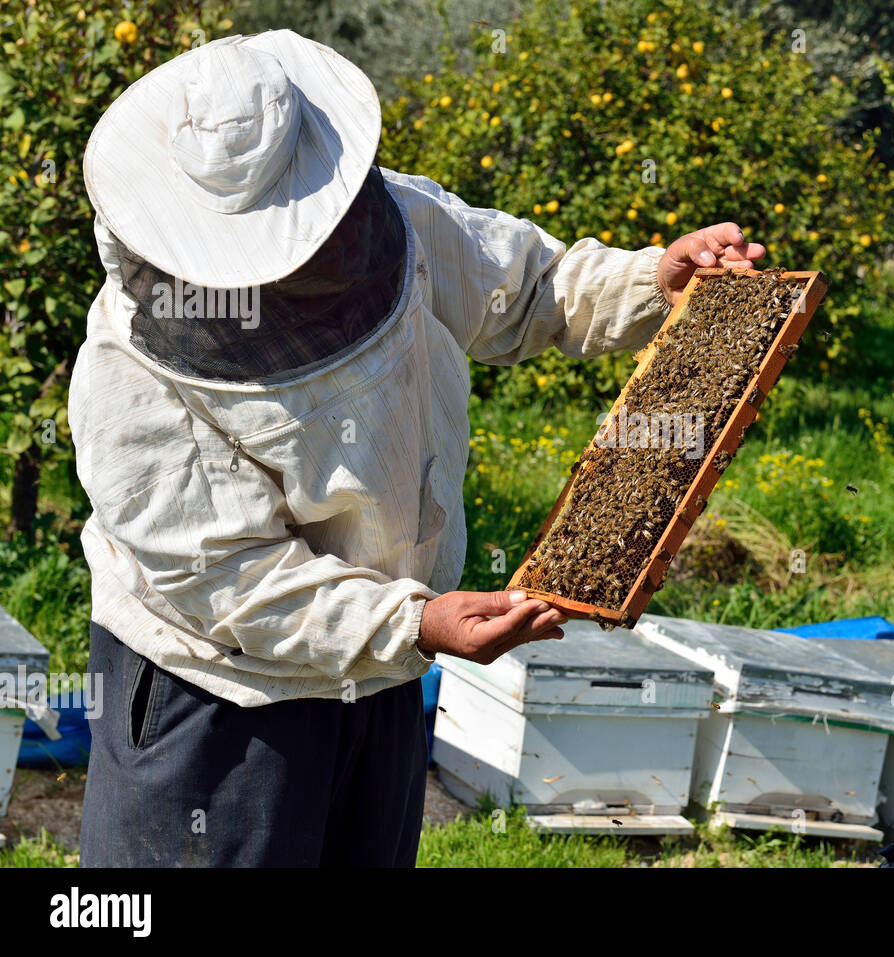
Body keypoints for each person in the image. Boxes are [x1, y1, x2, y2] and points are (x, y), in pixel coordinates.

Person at [69, 29, 765, 866]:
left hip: (382, 678)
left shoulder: (396, 219)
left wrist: (655, 279)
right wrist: (418, 620)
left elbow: (528, 286)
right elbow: (232, 578)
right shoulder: (128, 374)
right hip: (224, 697)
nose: (323, 251)